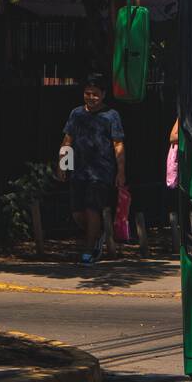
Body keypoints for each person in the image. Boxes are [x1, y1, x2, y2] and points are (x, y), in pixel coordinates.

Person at [57, 74, 126, 263]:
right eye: (87, 93)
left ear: (103, 94)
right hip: (79, 170)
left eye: (95, 94)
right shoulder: (76, 114)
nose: (91, 98)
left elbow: (118, 144)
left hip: (101, 171)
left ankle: (89, 249)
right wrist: (64, 165)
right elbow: (67, 140)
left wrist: (120, 171)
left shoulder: (111, 116)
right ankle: (97, 235)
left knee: (92, 208)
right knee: (77, 212)